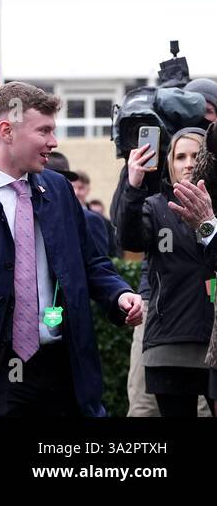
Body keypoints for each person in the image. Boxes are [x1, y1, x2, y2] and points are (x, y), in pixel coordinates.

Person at [0, 83, 142, 416]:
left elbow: (91, 263)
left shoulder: (60, 191)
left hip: (61, 370)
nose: (54, 142)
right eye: (44, 130)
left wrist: (119, 294)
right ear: (7, 131)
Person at [118, 126, 215, 416]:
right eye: (180, 156)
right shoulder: (155, 206)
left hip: (212, 336)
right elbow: (130, 239)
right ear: (170, 164)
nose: (187, 163)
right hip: (169, 339)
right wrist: (133, 187)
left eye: (196, 155)